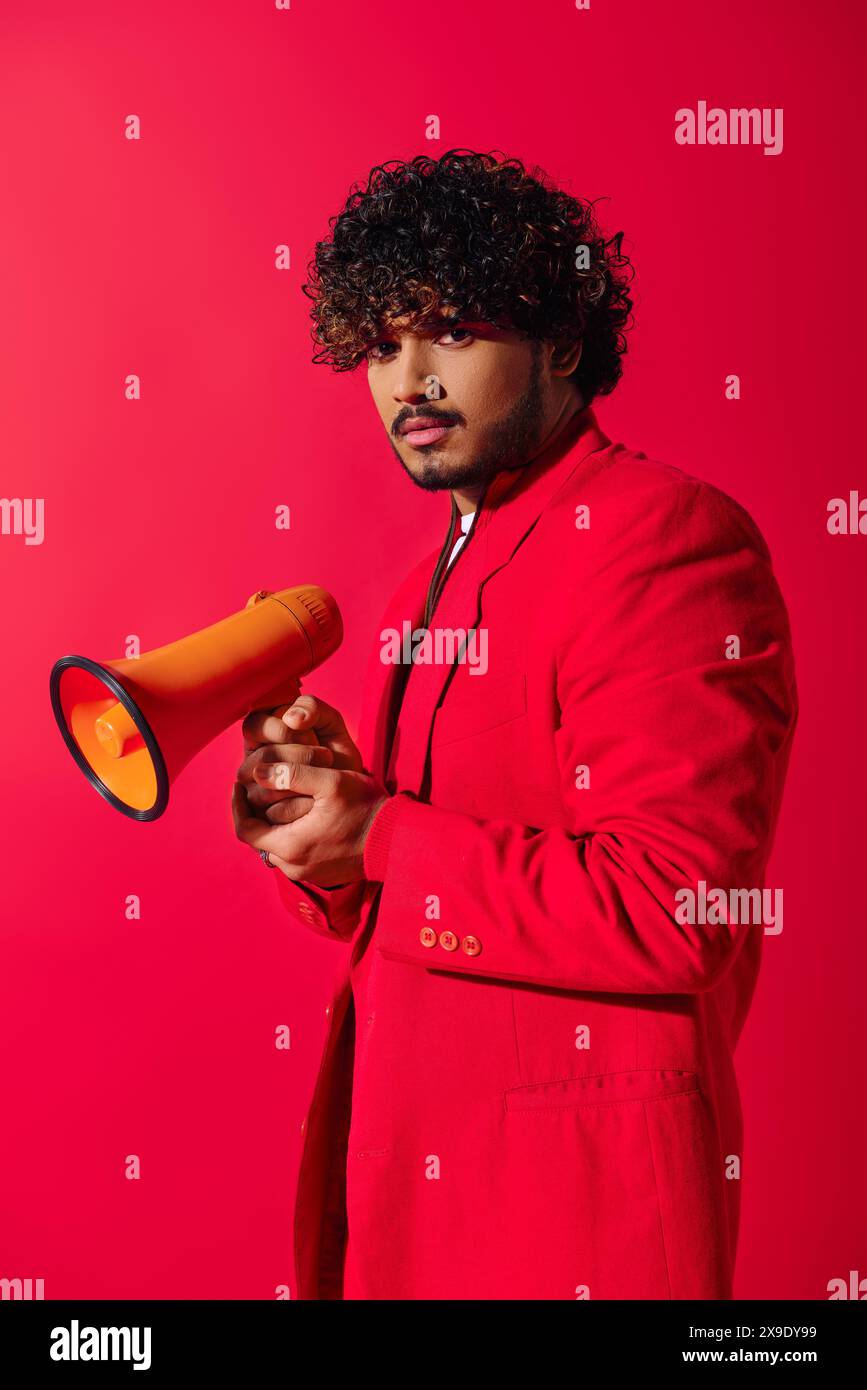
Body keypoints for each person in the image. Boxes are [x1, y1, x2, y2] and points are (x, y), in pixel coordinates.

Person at [232, 150, 798, 1300]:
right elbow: (425, 894)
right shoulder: (426, 585)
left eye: (452, 331)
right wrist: (322, 836)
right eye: (381, 343)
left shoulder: (669, 538)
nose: (409, 379)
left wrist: (380, 833)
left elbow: (678, 906)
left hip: (575, 1219)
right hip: (407, 1198)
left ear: (562, 343)